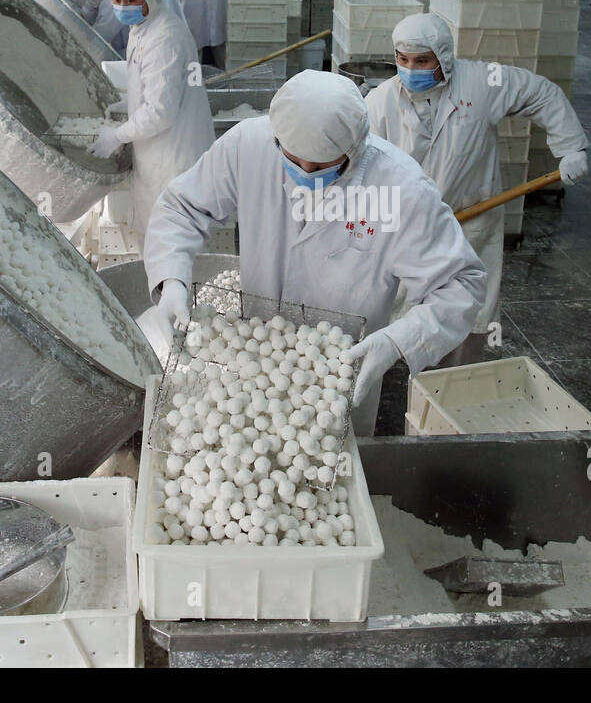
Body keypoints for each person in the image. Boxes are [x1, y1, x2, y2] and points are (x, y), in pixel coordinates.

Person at [142, 70, 488, 435]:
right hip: (252, 358)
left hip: (338, 372)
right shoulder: (248, 145)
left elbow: (461, 285)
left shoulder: (401, 189)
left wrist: (396, 341)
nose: (306, 173)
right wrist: (172, 280)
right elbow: (182, 207)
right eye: (293, 159)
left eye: (323, 167)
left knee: (330, 465)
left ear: (354, 148)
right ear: (276, 138)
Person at [366, 13, 587, 351]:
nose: (411, 69)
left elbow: (542, 93)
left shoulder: (481, 83)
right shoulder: (381, 101)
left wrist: (571, 147)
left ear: (442, 56)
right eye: (403, 59)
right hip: (410, 227)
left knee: (469, 311)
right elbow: (360, 162)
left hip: (471, 220)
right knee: (406, 313)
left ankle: (462, 373)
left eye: (422, 60)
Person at [88, 0, 214, 251]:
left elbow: (160, 111)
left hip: (173, 155)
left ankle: (182, 294)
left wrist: (117, 135)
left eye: (131, 0)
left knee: (175, 243)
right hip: (156, 150)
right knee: (160, 239)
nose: (123, 7)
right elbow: (150, 84)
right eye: (117, 0)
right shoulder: (142, 26)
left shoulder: (165, 36)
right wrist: (128, 103)